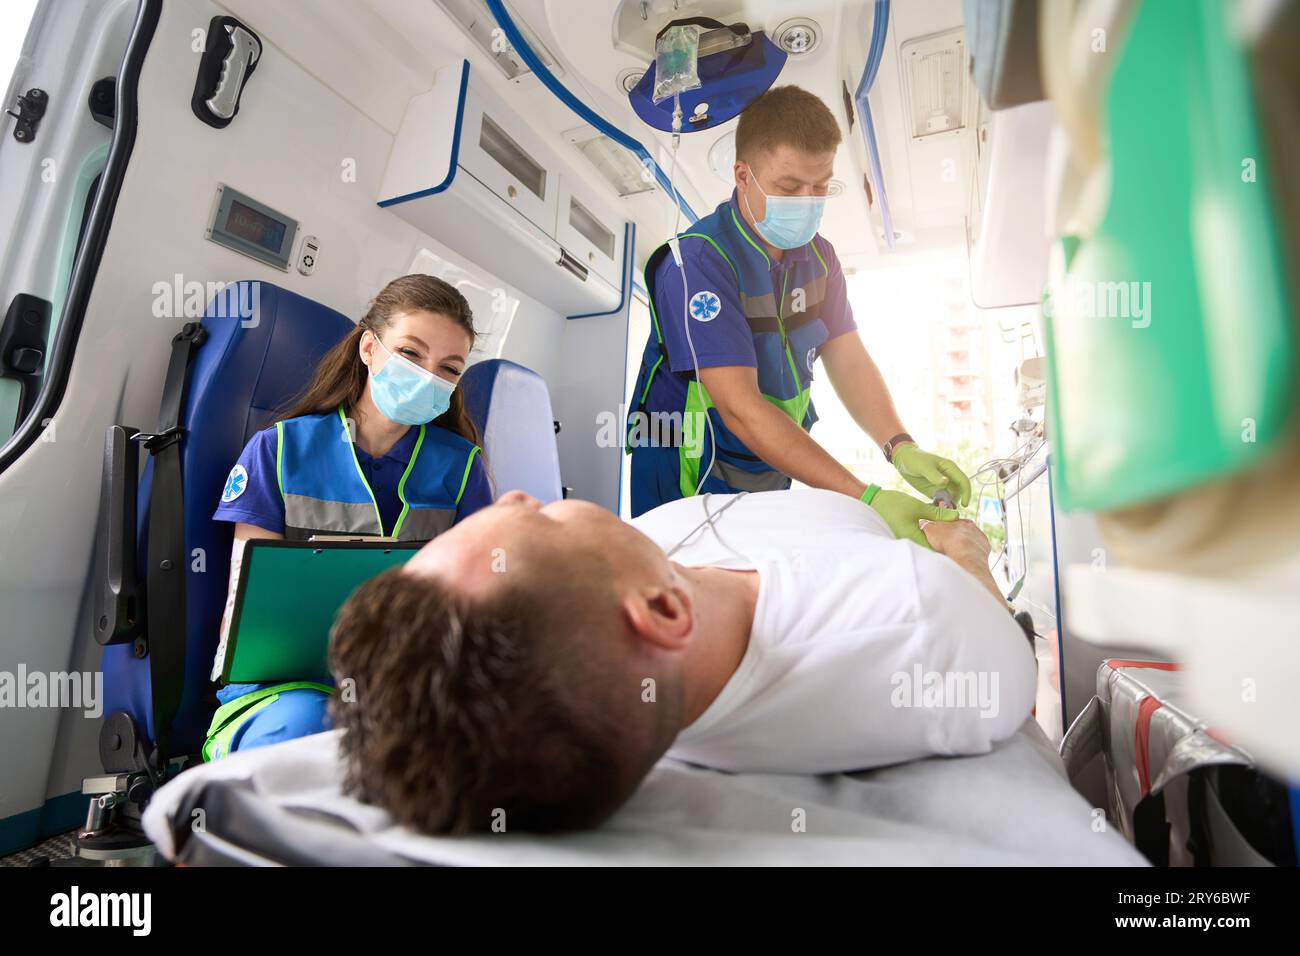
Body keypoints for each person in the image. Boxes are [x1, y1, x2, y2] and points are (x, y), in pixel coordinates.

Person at [327, 487, 1036, 835]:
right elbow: (1001, 642)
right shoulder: (919, 625)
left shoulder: (619, 601)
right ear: (663, 613)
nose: (517, 494)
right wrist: (970, 555)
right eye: (541, 516)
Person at [626, 85, 971, 547]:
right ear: (743, 175)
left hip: (770, 467)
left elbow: (847, 357)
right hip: (687, 475)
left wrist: (899, 446)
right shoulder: (699, 262)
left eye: (821, 187)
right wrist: (865, 499)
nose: (808, 201)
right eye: (790, 187)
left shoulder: (820, 258)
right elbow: (741, 408)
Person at [202, 274, 493, 760]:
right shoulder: (278, 451)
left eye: (449, 368)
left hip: (410, 682)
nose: (428, 376)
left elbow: (481, 595)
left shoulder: (463, 467)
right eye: (410, 353)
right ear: (368, 349)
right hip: (287, 685)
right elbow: (245, 605)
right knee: (306, 740)